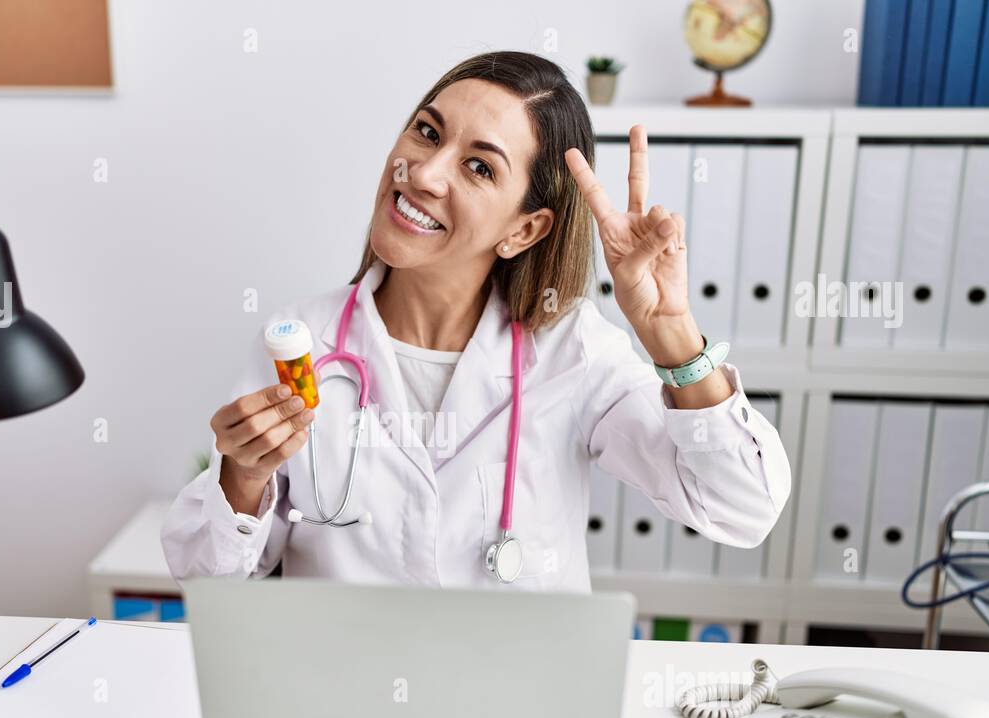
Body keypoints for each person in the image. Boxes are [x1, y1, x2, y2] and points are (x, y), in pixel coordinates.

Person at [162, 51, 790, 592]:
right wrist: (243, 477)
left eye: (480, 166)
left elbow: (742, 511)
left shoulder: (572, 352)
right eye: (428, 133)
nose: (424, 173)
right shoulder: (300, 343)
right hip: (342, 706)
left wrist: (670, 333)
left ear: (524, 229)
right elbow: (208, 579)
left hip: (516, 711)